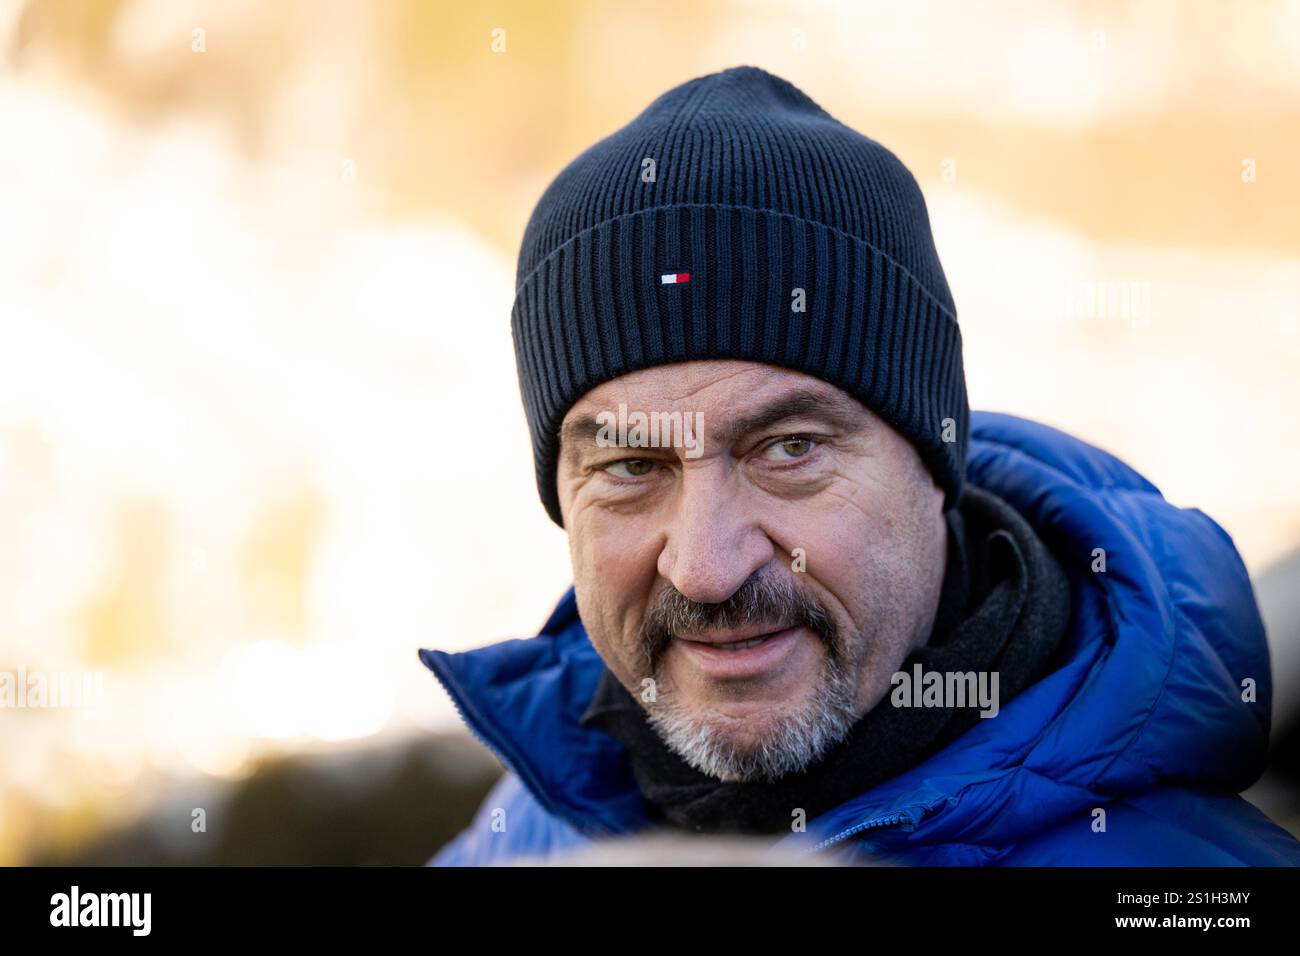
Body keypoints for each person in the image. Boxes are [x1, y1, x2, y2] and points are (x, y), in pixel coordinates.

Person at [420, 65, 1300, 865]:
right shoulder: (534, 827)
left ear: (933, 465)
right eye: (629, 466)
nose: (706, 566)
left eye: (789, 449)